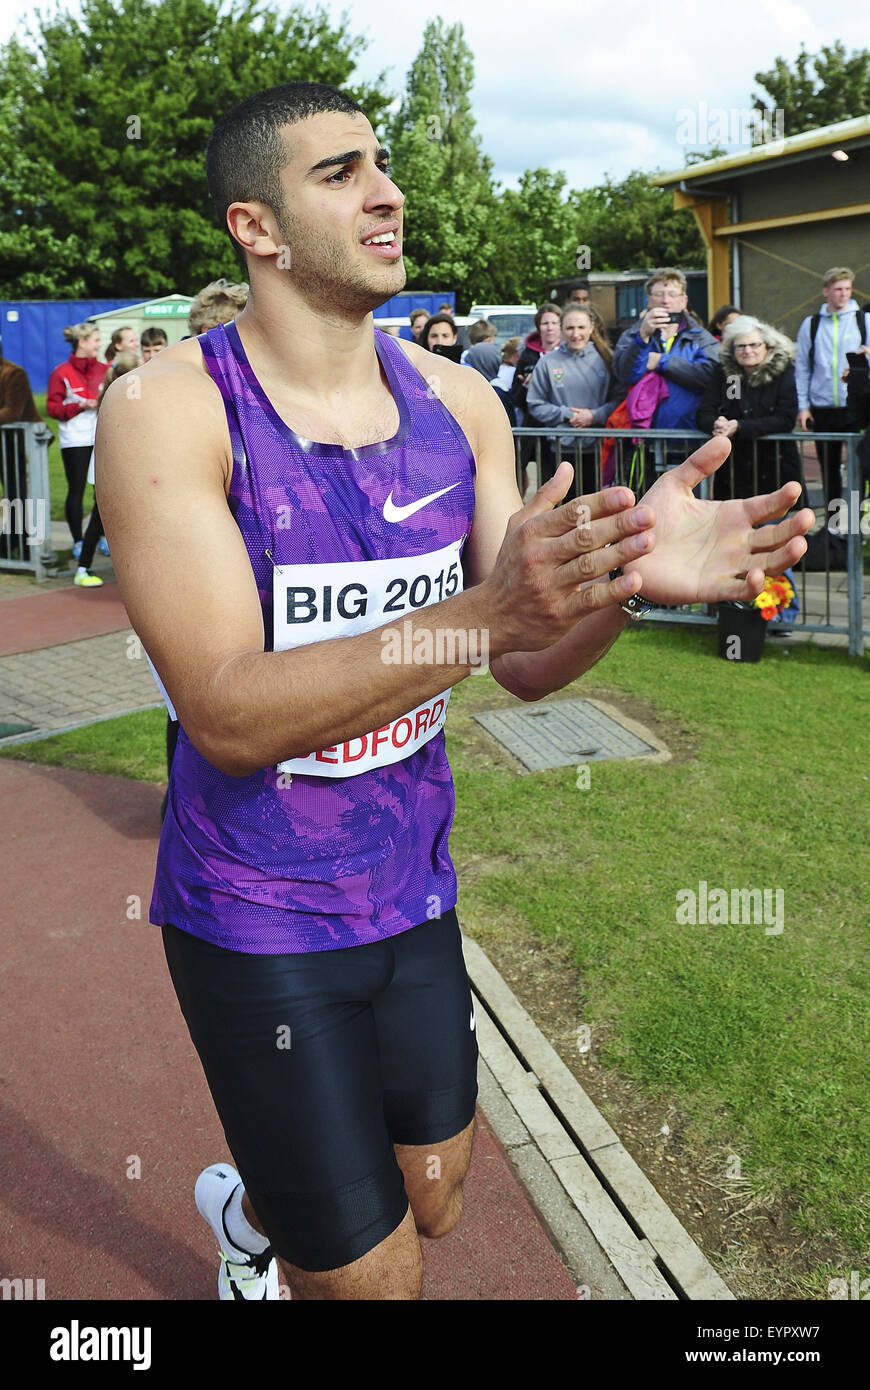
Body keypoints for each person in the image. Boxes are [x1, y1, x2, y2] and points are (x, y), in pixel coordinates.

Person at [97, 80, 812, 1304]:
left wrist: (627, 581)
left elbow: (526, 663)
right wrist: (478, 618)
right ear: (255, 228)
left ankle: (254, 1206)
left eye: (384, 164)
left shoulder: (460, 404)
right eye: (340, 174)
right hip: (256, 907)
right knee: (378, 1279)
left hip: (412, 881)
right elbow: (223, 711)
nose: (388, 193)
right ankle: (293, 1223)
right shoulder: (169, 409)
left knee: (436, 1195)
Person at [611, 267, 720, 489]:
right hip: (645, 445)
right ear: (648, 300)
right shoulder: (632, 335)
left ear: (684, 300)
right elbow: (624, 374)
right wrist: (642, 336)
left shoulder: (700, 337)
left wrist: (662, 361)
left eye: (672, 294)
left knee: (690, 513)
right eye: (658, 294)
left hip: (691, 442)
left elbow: (710, 375)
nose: (665, 300)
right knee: (647, 513)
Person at [696, 316, 804, 503]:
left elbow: (785, 418)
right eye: (741, 346)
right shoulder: (727, 375)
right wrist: (717, 422)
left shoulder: (782, 372)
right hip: (734, 471)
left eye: (754, 345)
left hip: (775, 466)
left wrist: (740, 426)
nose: (748, 351)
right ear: (732, 348)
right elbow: (705, 412)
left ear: (767, 346)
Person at [795, 267, 870, 512]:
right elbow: (803, 368)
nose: (844, 294)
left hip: (856, 406)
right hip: (823, 407)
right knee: (829, 471)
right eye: (838, 289)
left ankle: (857, 527)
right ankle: (833, 525)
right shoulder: (811, 324)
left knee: (859, 469)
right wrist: (804, 406)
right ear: (826, 291)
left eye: (848, 289)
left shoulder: (864, 320)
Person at [526, 305, 623, 491]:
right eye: (570, 328)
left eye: (581, 327)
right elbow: (535, 403)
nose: (575, 334)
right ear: (561, 329)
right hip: (560, 450)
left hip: (599, 449)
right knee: (562, 511)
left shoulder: (607, 358)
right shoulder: (548, 361)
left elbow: (619, 400)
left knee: (592, 512)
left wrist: (595, 416)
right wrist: (566, 414)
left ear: (591, 328)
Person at [73, 352, 141, 587]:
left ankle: (88, 567)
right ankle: (83, 568)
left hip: (110, 467)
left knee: (108, 519)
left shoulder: (113, 393)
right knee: (99, 519)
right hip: (111, 468)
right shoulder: (125, 398)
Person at [46, 322, 109, 559]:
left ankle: (100, 536)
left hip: (101, 437)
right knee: (77, 490)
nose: (99, 344)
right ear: (81, 342)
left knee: (102, 492)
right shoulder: (61, 372)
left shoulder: (105, 369)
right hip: (74, 439)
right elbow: (53, 408)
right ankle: (78, 540)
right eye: (95, 339)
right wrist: (80, 405)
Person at [0, 344, 46, 563]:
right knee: (12, 496)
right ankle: (12, 543)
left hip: (23, 446)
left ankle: (29, 550)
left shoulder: (14, 374)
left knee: (21, 495)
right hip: (5, 444)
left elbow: (12, 412)